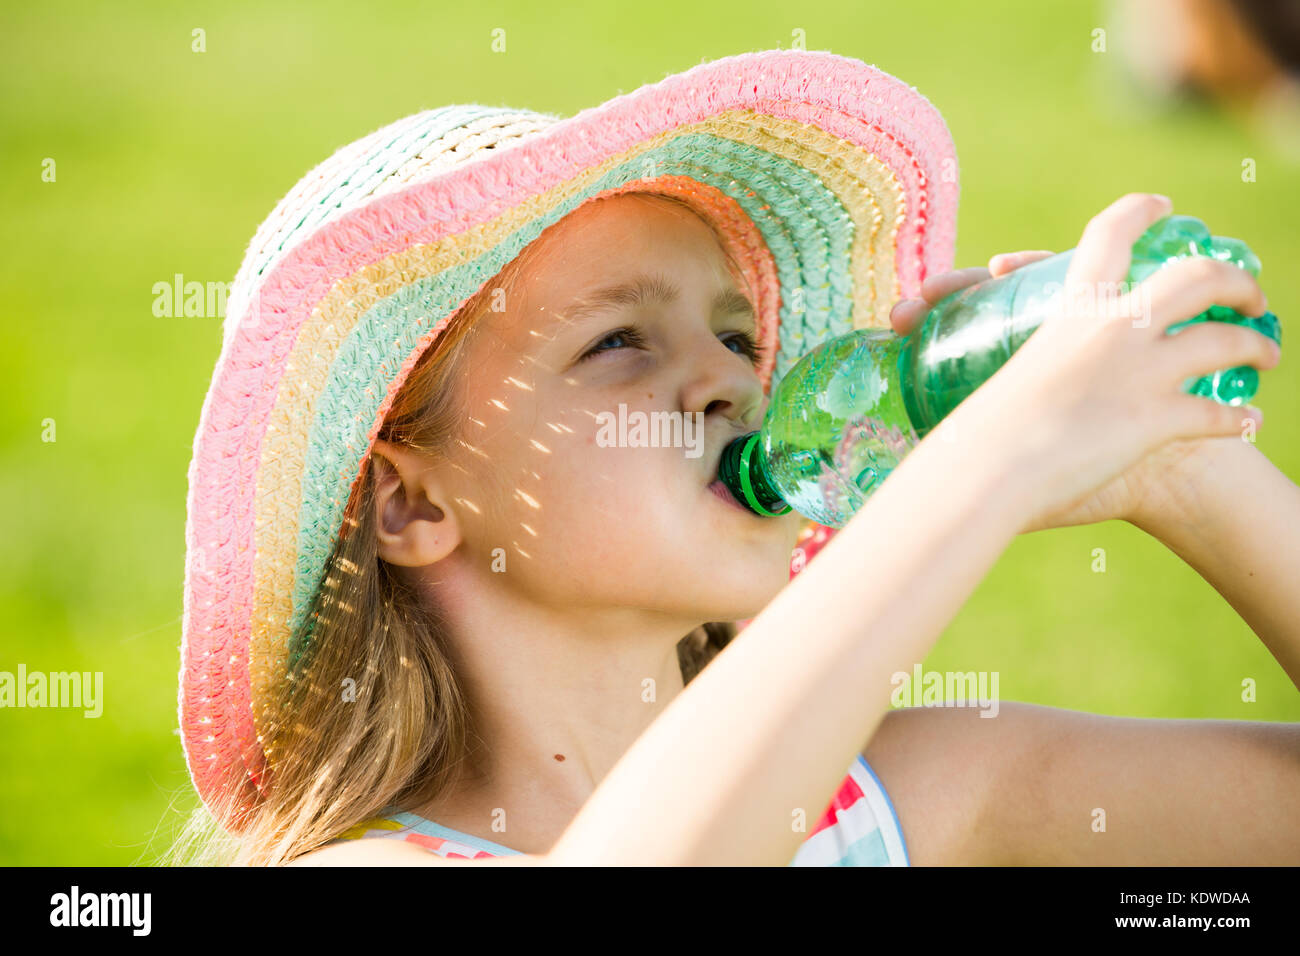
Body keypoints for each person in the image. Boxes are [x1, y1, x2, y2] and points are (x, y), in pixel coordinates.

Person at [172, 51, 1299, 867]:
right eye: (618, 342)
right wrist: (995, 464)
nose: (733, 381)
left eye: (738, 335)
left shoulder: (909, 797)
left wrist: (1188, 479)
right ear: (409, 500)